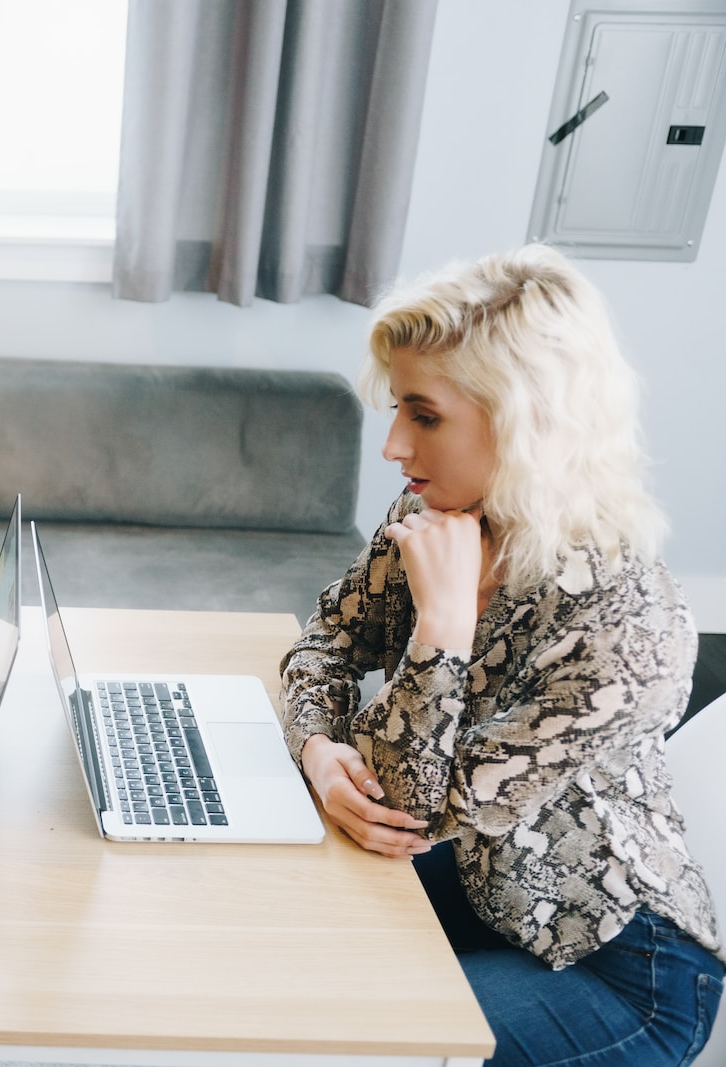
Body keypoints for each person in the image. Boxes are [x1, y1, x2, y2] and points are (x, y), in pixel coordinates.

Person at [280, 244, 724, 1066]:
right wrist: (316, 747)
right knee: (277, 929)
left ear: (523, 420)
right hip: (498, 891)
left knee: (349, 1039)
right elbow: (325, 639)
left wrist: (441, 627)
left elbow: (408, 807)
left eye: (423, 415)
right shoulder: (439, 508)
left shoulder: (628, 627)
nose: (392, 448)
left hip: (623, 971)